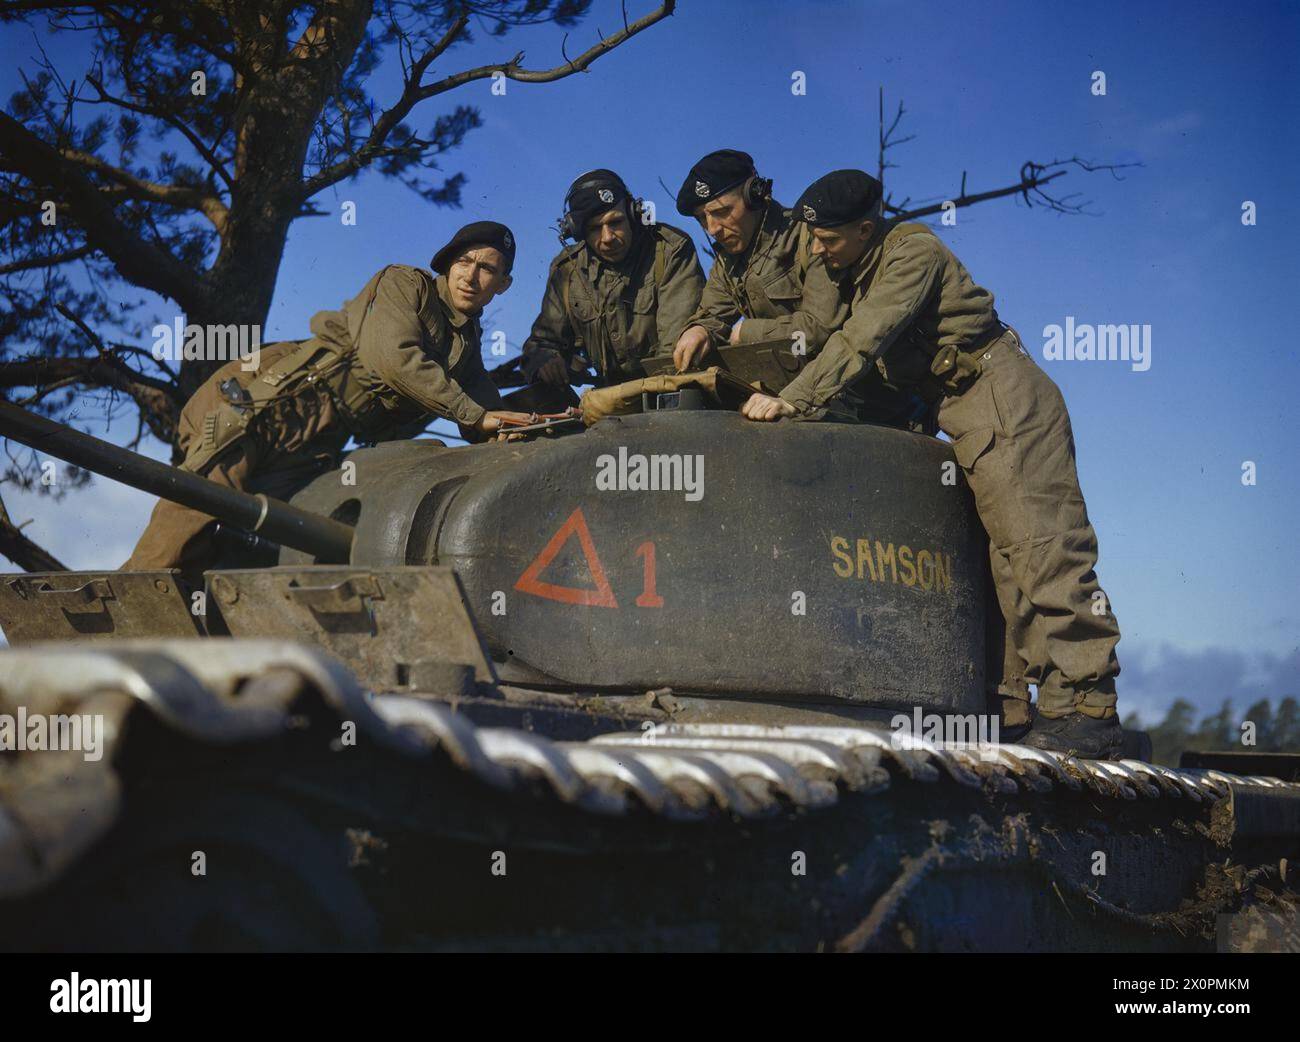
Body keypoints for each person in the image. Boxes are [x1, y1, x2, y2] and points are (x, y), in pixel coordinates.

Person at [740, 169, 1123, 759]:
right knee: (1006, 566)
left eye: (828, 239)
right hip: (965, 410)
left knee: (1041, 548)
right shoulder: (857, 273)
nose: (816, 250)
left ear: (867, 228)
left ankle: (1089, 708)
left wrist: (796, 399)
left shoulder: (909, 251)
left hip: (999, 393)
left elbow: (863, 340)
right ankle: (1037, 709)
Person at [123, 221, 532, 575]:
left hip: (321, 438)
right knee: (194, 511)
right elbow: (393, 357)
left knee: (257, 542)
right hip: (273, 399)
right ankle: (117, 621)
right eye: (464, 262)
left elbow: (489, 414)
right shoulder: (406, 285)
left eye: (487, 269)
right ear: (446, 264)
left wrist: (539, 424)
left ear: (503, 284)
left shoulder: (465, 342)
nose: (471, 276)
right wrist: (473, 414)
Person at [521, 169, 704, 396]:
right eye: (595, 228)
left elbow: (673, 352)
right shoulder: (567, 270)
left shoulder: (669, 250)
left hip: (669, 391)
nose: (608, 237)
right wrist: (546, 361)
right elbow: (543, 341)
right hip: (609, 399)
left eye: (615, 222)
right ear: (578, 232)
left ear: (633, 214)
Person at [670, 149, 847, 373]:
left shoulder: (810, 238)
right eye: (702, 219)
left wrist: (746, 332)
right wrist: (698, 330)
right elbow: (713, 314)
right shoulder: (727, 262)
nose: (713, 228)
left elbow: (820, 329)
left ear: (754, 195)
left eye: (722, 212)